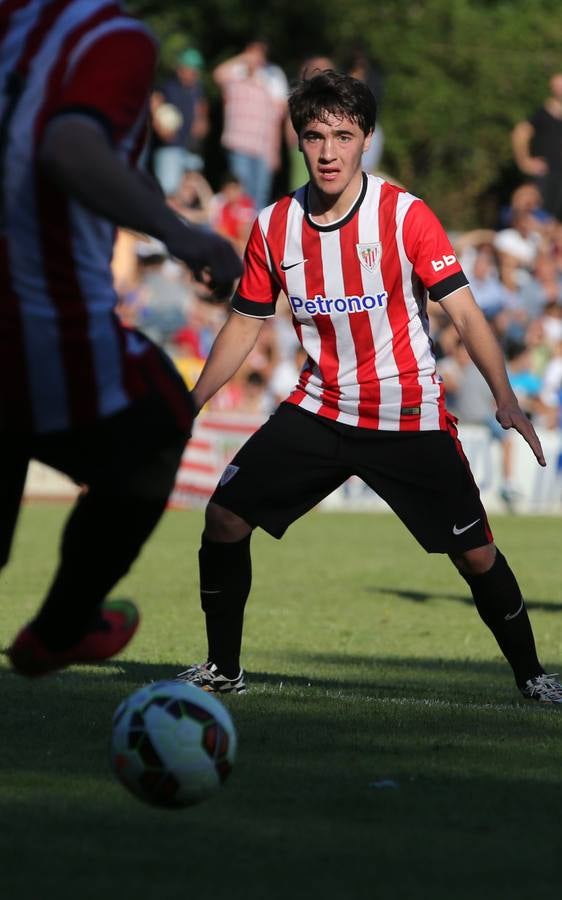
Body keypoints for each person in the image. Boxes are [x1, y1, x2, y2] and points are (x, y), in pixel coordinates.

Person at [176, 70, 562, 705]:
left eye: (343, 136)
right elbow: (245, 325)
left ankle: (533, 677)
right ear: (297, 140)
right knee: (223, 517)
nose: (328, 152)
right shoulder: (273, 226)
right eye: (314, 136)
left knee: (476, 557)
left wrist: (505, 396)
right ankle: (223, 669)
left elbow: (465, 316)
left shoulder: (404, 215)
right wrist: (189, 404)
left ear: (366, 141)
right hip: (318, 410)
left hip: (405, 413)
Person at [0, 0, 242, 677]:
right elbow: (69, 146)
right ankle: (61, 627)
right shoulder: (110, 37)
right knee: (161, 418)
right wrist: (184, 234)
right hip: (30, 304)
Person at [213, 40, 288, 211]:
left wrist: (275, 150)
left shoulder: (272, 78)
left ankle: (257, 234)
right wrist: (243, 58)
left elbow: (276, 119)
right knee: (241, 194)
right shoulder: (236, 74)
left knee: (260, 194)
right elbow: (218, 74)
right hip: (238, 143)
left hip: (263, 147)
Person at [151, 48, 209, 196]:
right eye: (191, 69)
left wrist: (202, 121)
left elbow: (202, 109)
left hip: (190, 149)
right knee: (168, 191)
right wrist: (161, 128)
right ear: (181, 69)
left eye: (196, 70)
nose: (194, 74)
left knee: (191, 196)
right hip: (170, 147)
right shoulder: (168, 87)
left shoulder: (197, 89)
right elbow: (154, 105)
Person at [511, 73, 562, 221]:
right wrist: (524, 161)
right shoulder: (541, 113)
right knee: (542, 215)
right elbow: (520, 133)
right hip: (545, 173)